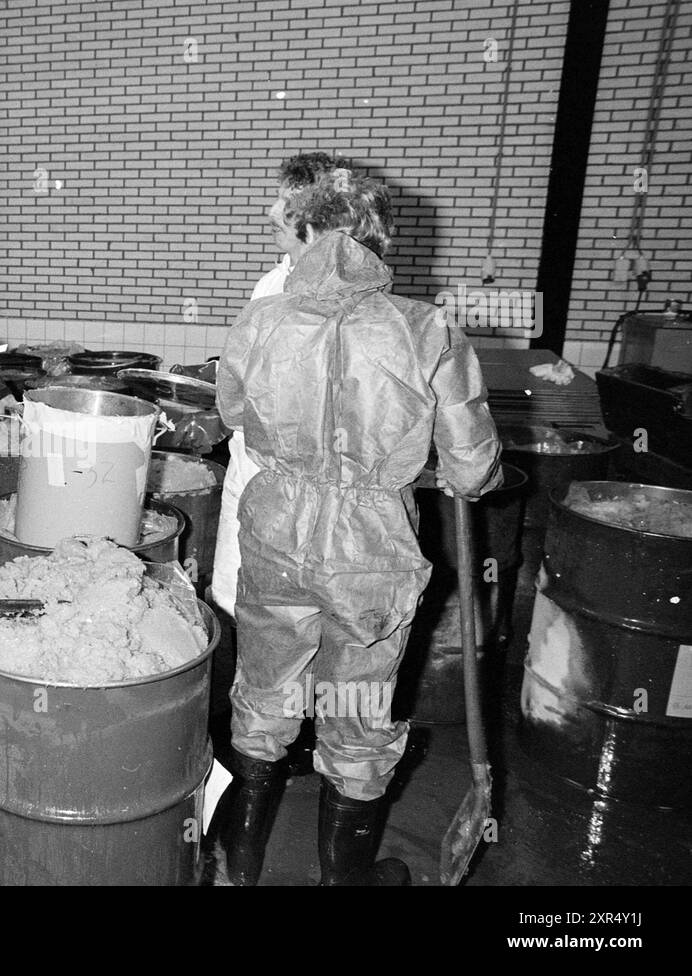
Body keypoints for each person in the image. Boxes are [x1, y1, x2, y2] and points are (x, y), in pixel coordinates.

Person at [214, 169, 503, 886]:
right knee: (356, 715)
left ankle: (235, 874)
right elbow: (472, 472)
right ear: (380, 241)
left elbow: (237, 420)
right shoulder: (426, 328)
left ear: (306, 235)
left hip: (277, 532)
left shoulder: (260, 319)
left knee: (266, 701)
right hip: (370, 551)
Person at [211, 152, 353, 621]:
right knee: (237, 599)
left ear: (317, 221)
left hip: (285, 479)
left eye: (284, 202)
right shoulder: (274, 281)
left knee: (278, 612)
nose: (270, 212)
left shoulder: (325, 298)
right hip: (250, 462)